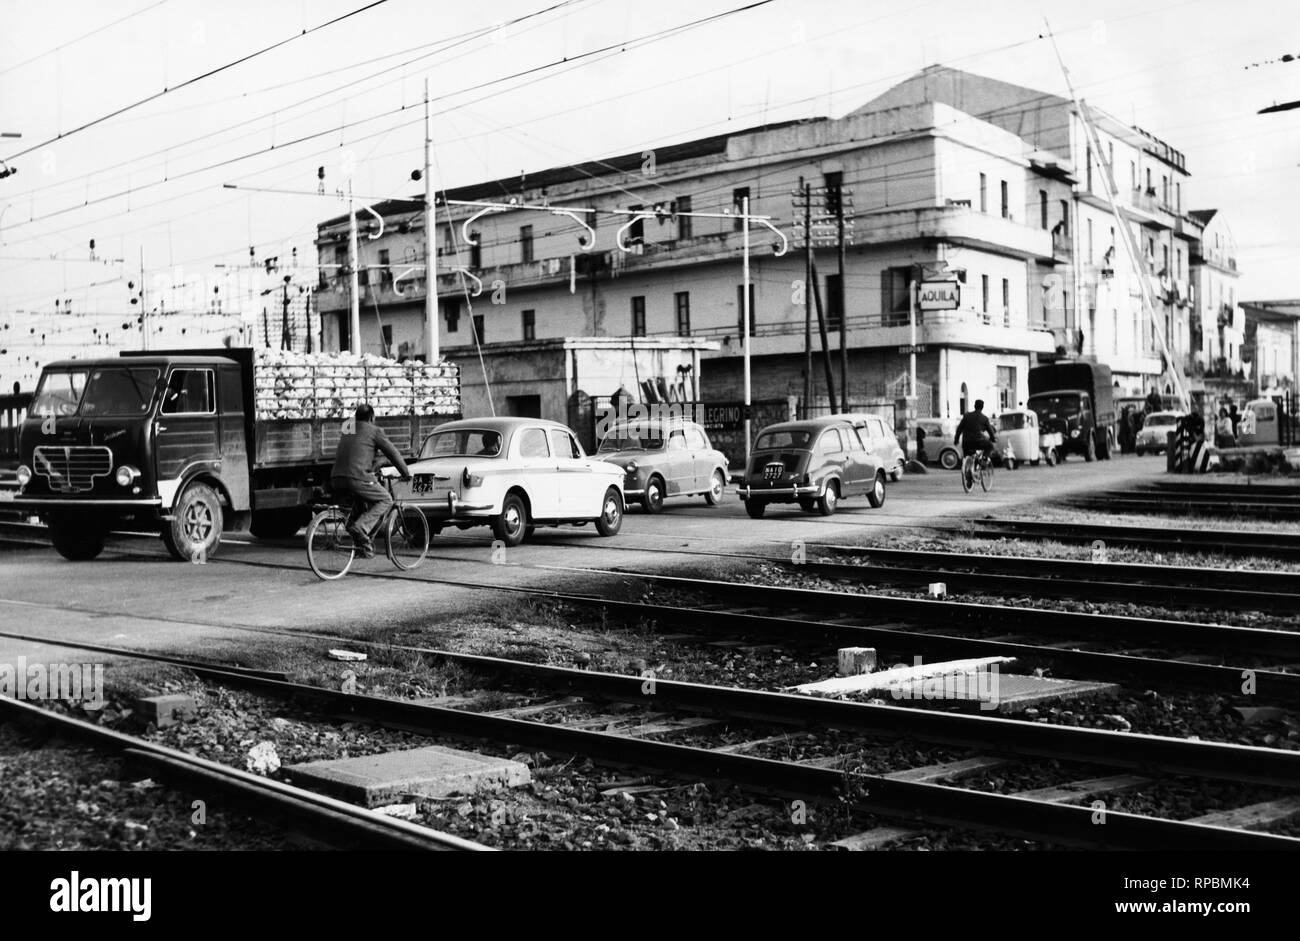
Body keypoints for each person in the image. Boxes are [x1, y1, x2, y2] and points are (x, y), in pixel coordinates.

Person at [330, 404, 411, 558]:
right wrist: (405, 473)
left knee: (361, 505)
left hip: (336, 478)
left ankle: (361, 545)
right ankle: (362, 528)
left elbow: (357, 451)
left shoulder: (348, 428)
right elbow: (393, 454)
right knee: (386, 499)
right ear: (372, 418)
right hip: (356, 477)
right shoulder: (375, 431)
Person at [954, 399, 997, 485]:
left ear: (974, 406)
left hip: (966, 442)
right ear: (982, 407)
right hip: (978, 442)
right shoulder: (984, 418)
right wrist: (993, 438)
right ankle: (983, 460)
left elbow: (959, 429)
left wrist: (956, 439)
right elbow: (990, 431)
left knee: (968, 457)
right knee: (990, 446)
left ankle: (969, 477)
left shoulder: (966, 416)